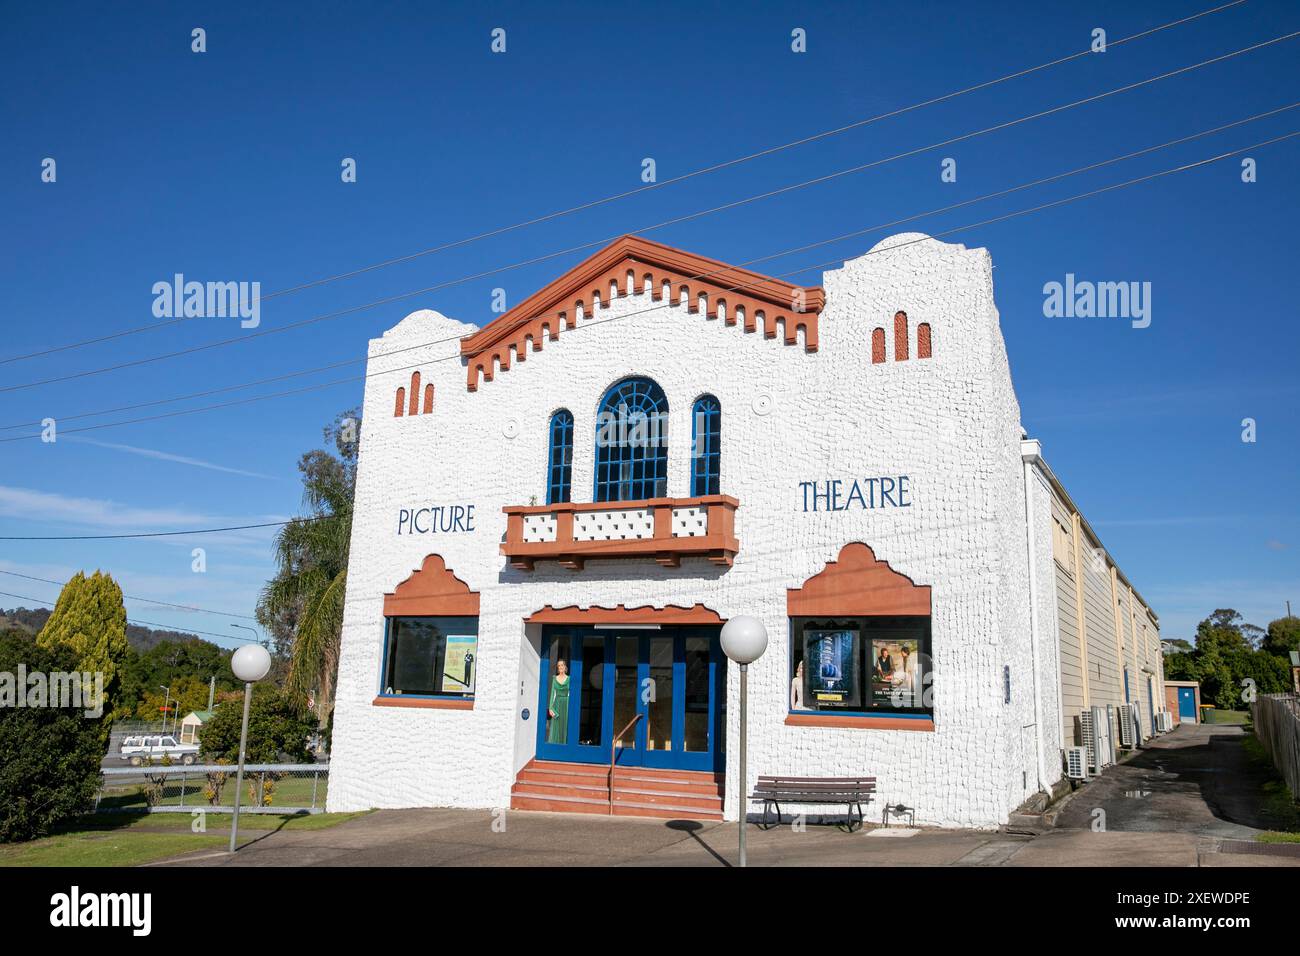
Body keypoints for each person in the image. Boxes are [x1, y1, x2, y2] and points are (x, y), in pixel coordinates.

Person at [546, 659, 571, 744]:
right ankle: (555, 747)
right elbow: (553, 693)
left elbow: (571, 693)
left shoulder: (569, 679)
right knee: (556, 726)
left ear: (565, 667)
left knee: (565, 725)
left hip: (566, 703)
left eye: (562, 665)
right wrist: (550, 708)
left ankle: (565, 747)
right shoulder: (554, 678)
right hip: (557, 703)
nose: (560, 667)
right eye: (559, 666)